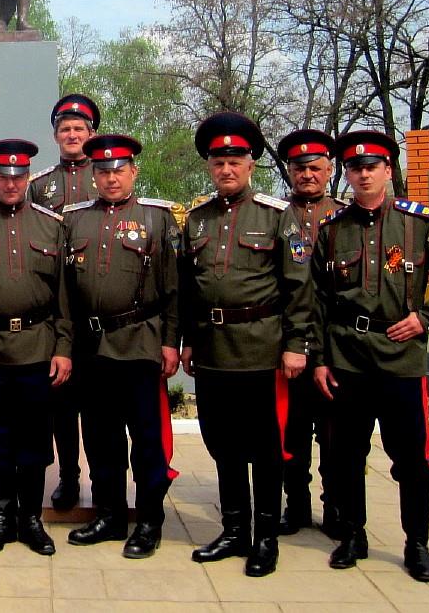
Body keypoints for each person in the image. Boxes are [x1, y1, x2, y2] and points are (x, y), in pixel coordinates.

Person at [312, 131, 429, 582]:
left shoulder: (418, 223)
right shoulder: (333, 230)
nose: (363, 174)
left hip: (401, 357)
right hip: (347, 357)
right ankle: (352, 535)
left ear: (388, 170)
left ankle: (416, 543)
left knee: (410, 458)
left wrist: (428, 318)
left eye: (372, 167)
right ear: (345, 174)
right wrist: (321, 358)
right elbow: (319, 300)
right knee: (345, 454)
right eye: (354, 168)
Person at [181, 112, 313, 577]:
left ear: (251, 163)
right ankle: (234, 529)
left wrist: (295, 344)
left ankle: (265, 537)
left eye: (235, 160)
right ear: (210, 166)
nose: (226, 169)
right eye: (218, 162)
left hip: (262, 350)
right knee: (223, 445)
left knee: (265, 447)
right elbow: (188, 286)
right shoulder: (196, 220)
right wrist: (190, 340)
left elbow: (300, 288)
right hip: (214, 351)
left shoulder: (280, 216)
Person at [62, 134, 180, 559]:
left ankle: (149, 521)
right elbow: (65, 290)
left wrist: (171, 341)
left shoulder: (158, 218)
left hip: (139, 342)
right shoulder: (74, 220)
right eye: (103, 171)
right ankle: (109, 514)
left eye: (119, 170)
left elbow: (173, 288)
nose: (111, 178)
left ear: (134, 171)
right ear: (93, 175)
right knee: (100, 438)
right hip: (91, 347)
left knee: (146, 439)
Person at [0, 138, 71, 555]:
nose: (11, 182)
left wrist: (63, 347)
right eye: (3, 176)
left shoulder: (51, 225)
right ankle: (1, 517)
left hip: (39, 349)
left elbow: (64, 295)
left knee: (35, 440)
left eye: (18, 175)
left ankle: (31, 518)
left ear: (28, 177)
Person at [28, 93, 100, 510]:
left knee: (95, 407)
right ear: (56, 135)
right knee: (61, 404)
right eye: (65, 130)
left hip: (94, 307)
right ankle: (68, 478)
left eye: (78, 129)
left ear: (90, 133)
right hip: (59, 305)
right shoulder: (41, 185)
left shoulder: (105, 174)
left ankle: (100, 478)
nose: (72, 135)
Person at [273, 130, 344, 538]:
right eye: (299, 169)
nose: (307, 175)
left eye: (315, 168)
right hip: (289, 343)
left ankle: (334, 506)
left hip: (335, 343)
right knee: (292, 430)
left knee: (335, 434)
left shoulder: (344, 216)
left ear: (329, 169)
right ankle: (295, 504)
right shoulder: (276, 215)